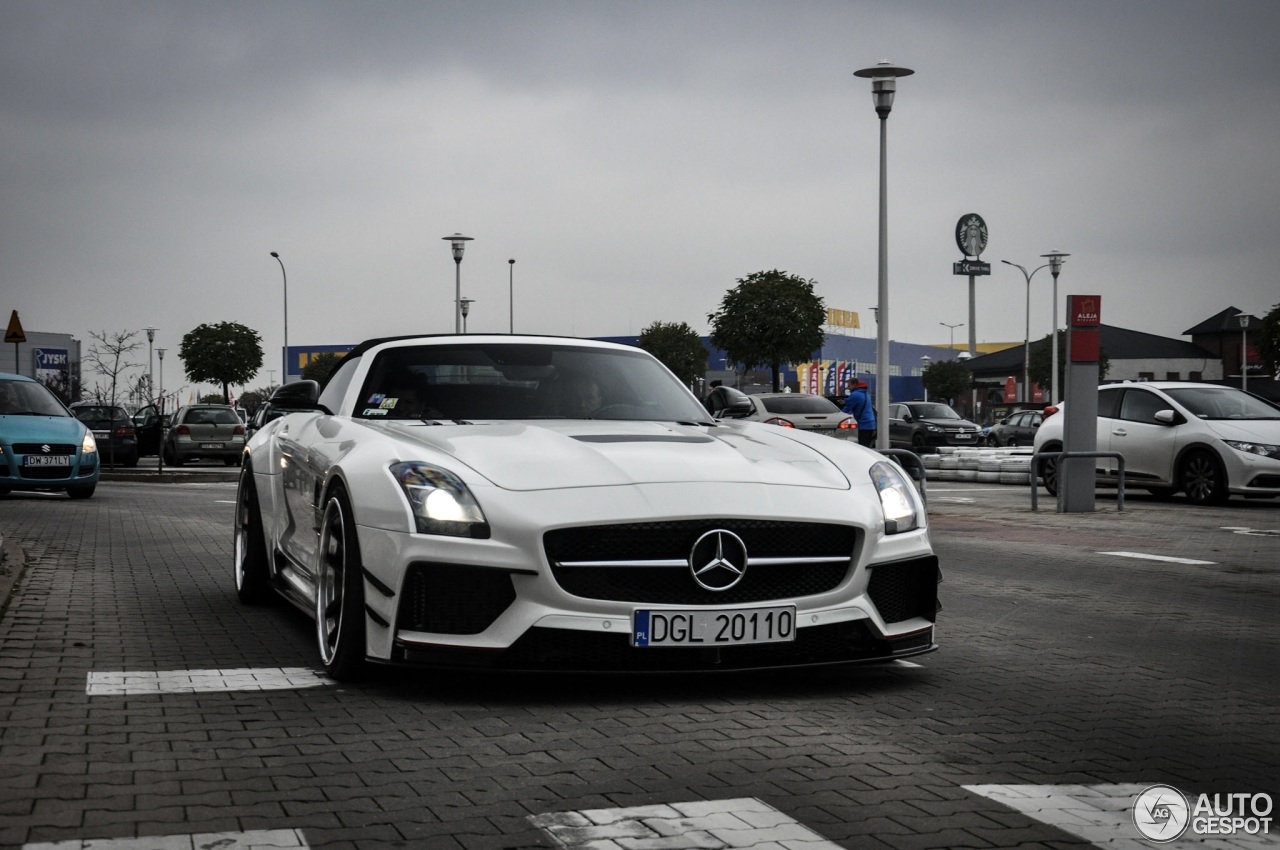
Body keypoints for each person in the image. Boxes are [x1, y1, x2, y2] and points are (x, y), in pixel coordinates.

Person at [842, 378, 877, 447]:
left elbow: (846, 411)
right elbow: (858, 402)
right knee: (867, 446)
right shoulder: (865, 393)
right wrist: (846, 401)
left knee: (862, 447)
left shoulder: (855, 395)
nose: (848, 388)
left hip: (863, 425)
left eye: (849, 386)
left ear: (854, 385)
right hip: (871, 424)